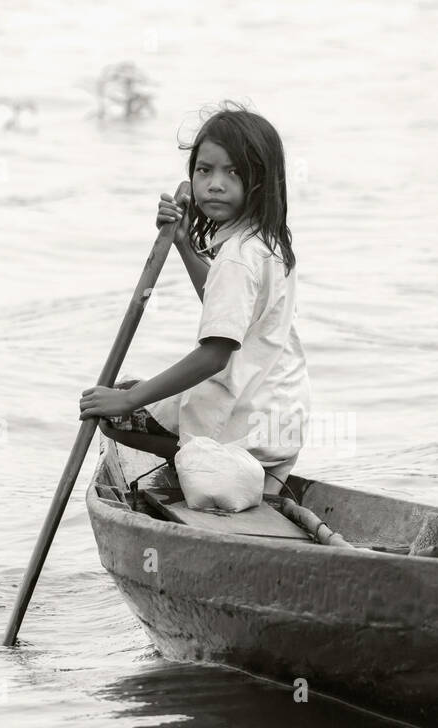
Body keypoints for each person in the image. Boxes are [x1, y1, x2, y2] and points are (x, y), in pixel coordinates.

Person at [78, 102, 310, 494]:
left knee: (114, 411)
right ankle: (206, 458)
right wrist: (185, 245)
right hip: (279, 421)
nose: (214, 184)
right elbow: (228, 308)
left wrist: (128, 401)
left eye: (233, 172)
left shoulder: (236, 257)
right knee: (127, 394)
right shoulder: (265, 243)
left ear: (261, 181)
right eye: (204, 170)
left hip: (241, 427)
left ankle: (202, 460)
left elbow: (214, 354)